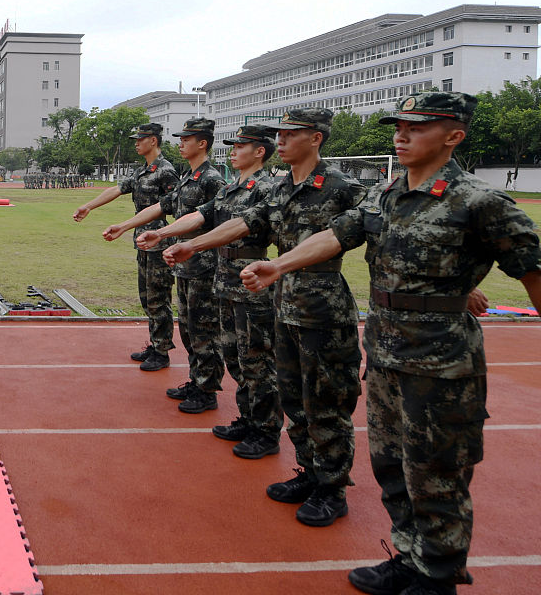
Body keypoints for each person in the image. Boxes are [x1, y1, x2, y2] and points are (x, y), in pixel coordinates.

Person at [239, 92, 541, 595]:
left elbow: (533, 272)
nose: (401, 136)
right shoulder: (386, 195)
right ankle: (409, 557)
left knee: (437, 473)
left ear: (453, 136)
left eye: (417, 127)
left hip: (443, 365)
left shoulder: (480, 202)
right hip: (384, 352)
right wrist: (279, 265)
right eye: (398, 126)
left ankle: (437, 575)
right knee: (391, 464)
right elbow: (335, 235)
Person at [161, 108, 366, 526]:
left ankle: (332, 488)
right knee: (294, 396)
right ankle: (309, 473)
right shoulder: (279, 189)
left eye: (291, 134)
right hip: (282, 301)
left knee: (324, 398)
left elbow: (384, 230)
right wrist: (191, 246)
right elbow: (243, 222)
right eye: (280, 134)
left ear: (316, 138)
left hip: (323, 306)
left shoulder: (343, 187)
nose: (282, 140)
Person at [136, 124, 282, 458]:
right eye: (232, 145)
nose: (233, 150)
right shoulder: (232, 187)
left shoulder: (266, 188)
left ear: (260, 151)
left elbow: (238, 227)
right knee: (234, 355)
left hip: (250, 279)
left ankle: (266, 430)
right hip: (224, 277)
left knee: (256, 359)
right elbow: (200, 216)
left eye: (241, 145)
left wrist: (191, 245)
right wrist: (162, 234)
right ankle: (248, 419)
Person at [104, 118, 225, 412]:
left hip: (204, 263)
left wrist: (162, 234)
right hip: (186, 262)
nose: (180, 143)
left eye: (186, 139)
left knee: (204, 328)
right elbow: (161, 206)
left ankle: (207, 389)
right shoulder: (189, 177)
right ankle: (197, 381)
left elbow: (215, 222)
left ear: (202, 143)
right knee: (188, 327)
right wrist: (124, 225)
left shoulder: (212, 179)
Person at [73, 124, 178, 367]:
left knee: (158, 296)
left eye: (140, 139)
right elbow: (117, 188)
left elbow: (174, 207)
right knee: (147, 296)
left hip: (158, 240)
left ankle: (162, 351)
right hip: (142, 239)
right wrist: (89, 205)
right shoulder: (142, 170)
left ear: (153, 141)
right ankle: (155, 344)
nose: (136, 143)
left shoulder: (165, 171)